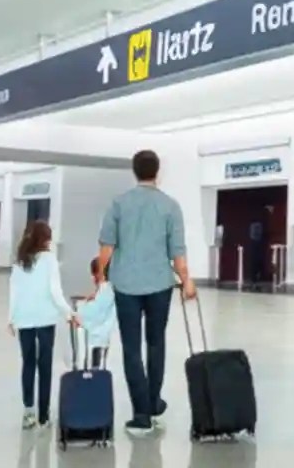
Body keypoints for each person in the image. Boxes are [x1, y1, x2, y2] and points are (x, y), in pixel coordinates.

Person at [97, 149, 193, 436]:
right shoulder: (170, 206)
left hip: (125, 284)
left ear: (135, 171)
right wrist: (186, 280)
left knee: (131, 347)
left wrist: (101, 275)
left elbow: (106, 248)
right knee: (156, 344)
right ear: (157, 171)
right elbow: (177, 253)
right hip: (160, 285)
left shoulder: (118, 204)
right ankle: (153, 403)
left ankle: (141, 413)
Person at [8, 220, 77, 430]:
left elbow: (14, 293)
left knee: (28, 364)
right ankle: (44, 416)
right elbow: (55, 292)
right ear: (46, 239)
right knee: (44, 366)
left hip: (25, 320)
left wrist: (11, 319)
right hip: (45, 319)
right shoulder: (49, 260)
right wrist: (70, 312)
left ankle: (28, 413)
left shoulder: (20, 261)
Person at [79, 258, 117, 369]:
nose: (93, 278)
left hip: (100, 340)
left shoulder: (106, 289)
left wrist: (78, 311)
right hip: (103, 340)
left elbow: (94, 312)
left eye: (94, 273)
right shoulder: (111, 288)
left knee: (97, 375)